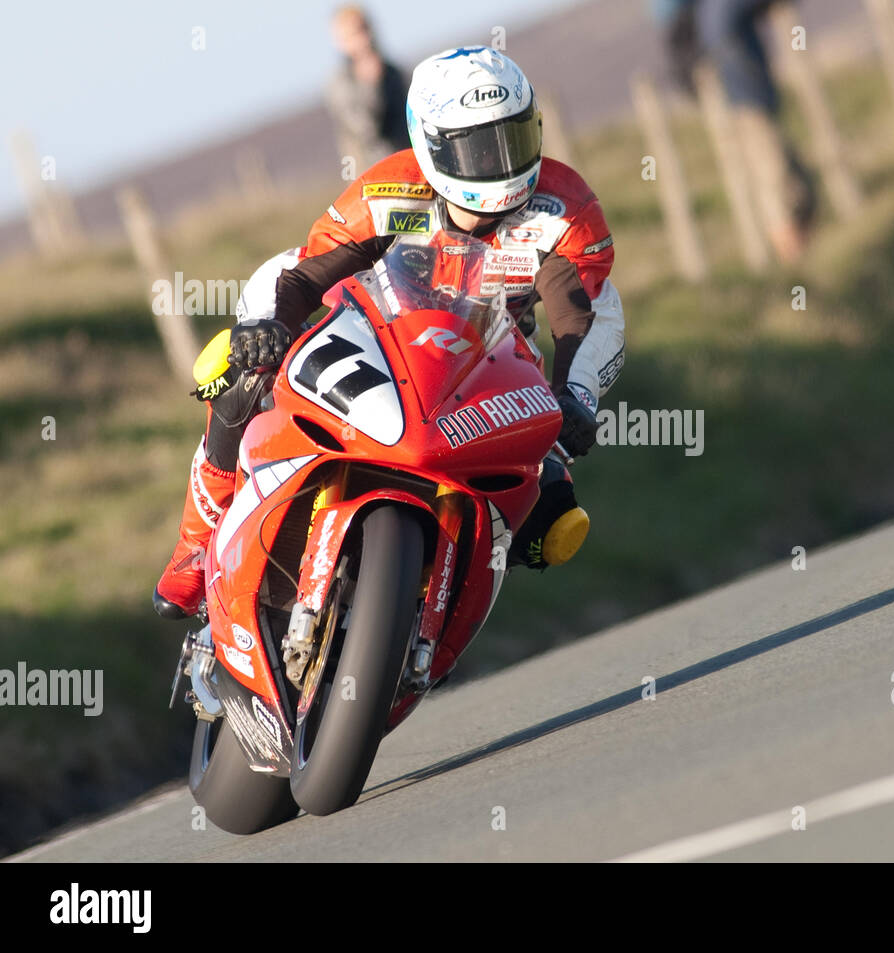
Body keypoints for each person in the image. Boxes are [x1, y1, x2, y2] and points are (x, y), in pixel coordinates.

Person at [154, 45, 625, 620]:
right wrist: (268, 328)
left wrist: (575, 398)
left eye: (514, 139)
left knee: (552, 523)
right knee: (235, 374)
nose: (501, 163)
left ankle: (428, 610)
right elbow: (305, 272)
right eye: (480, 147)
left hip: (484, 369)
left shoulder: (565, 209)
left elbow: (585, 313)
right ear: (430, 144)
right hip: (374, 340)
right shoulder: (389, 190)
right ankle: (195, 550)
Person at [656, 0, 817, 262]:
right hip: (744, 100)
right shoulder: (710, 12)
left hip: (734, 98)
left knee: (776, 173)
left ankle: (798, 257)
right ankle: (798, 262)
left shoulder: (694, 17)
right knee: (774, 172)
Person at [325, 6, 410, 168]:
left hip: (407, 167)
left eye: (365, 29)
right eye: (354, 34)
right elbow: (366, 129)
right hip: (369, 179)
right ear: (341, 42)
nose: (364, 39)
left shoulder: (392, 72)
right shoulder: (341, 84)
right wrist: (372, 86)